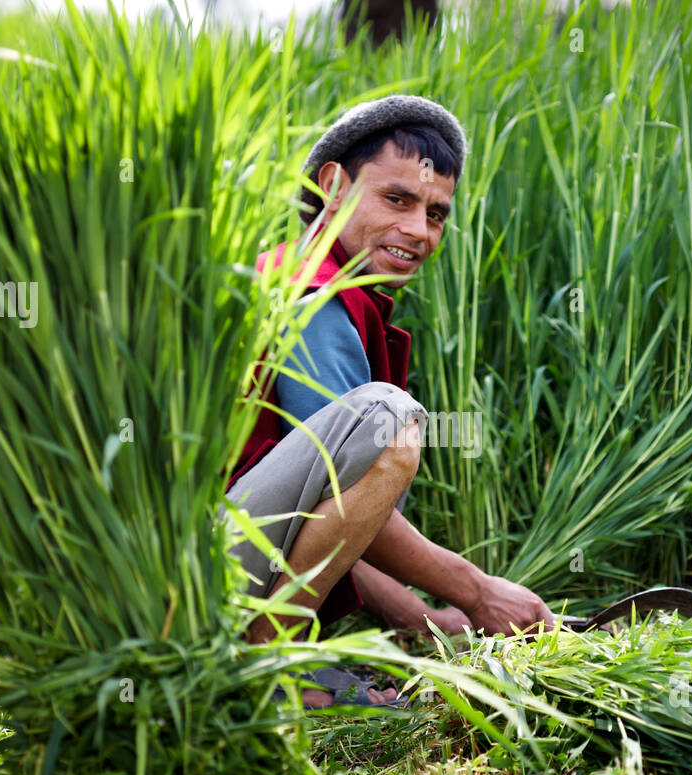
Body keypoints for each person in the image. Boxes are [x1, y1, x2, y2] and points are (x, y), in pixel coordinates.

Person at [227, 95, 554, 707]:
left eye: (436, 214)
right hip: (200, 571)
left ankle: (272, 664)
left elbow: (329, 518)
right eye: (396, 199)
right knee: (387, 421)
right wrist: (477, 591)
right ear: (333, 185)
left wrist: (424, 619)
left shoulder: (318, 286)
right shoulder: (313, 300)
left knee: (379, 427)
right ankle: (270, 674)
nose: (417, 230)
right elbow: (350, 477)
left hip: (212, 563)